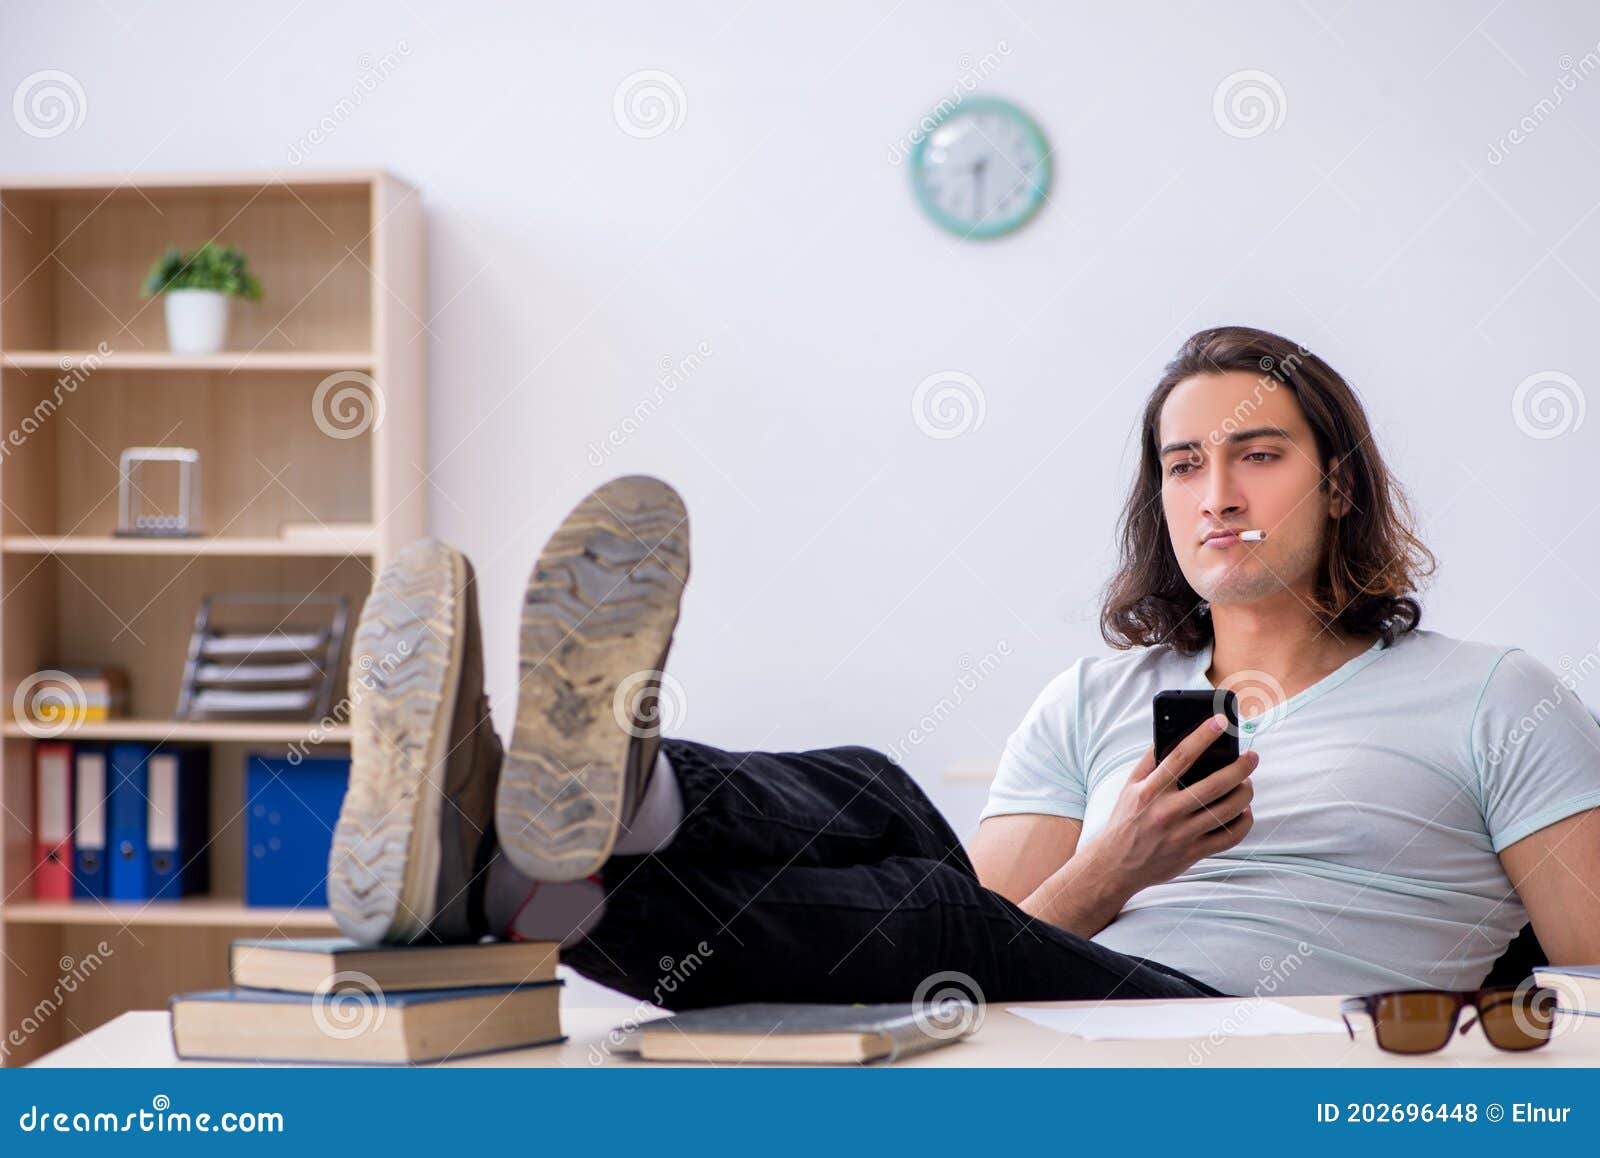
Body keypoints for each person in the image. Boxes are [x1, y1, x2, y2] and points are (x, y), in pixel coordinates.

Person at [327, 325, 1600, 1009]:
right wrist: (1119, 866)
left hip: (1245, 1037)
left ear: (1335, 479)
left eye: (1255, 454)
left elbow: (1591, 988)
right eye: (1182, 464)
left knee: (926, 907)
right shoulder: (1094, 699)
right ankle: (572, 809)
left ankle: (492, 848)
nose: (1215, 493)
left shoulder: (1495, 695)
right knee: (878, 799)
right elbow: (993, 951)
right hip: (1073, 1004)